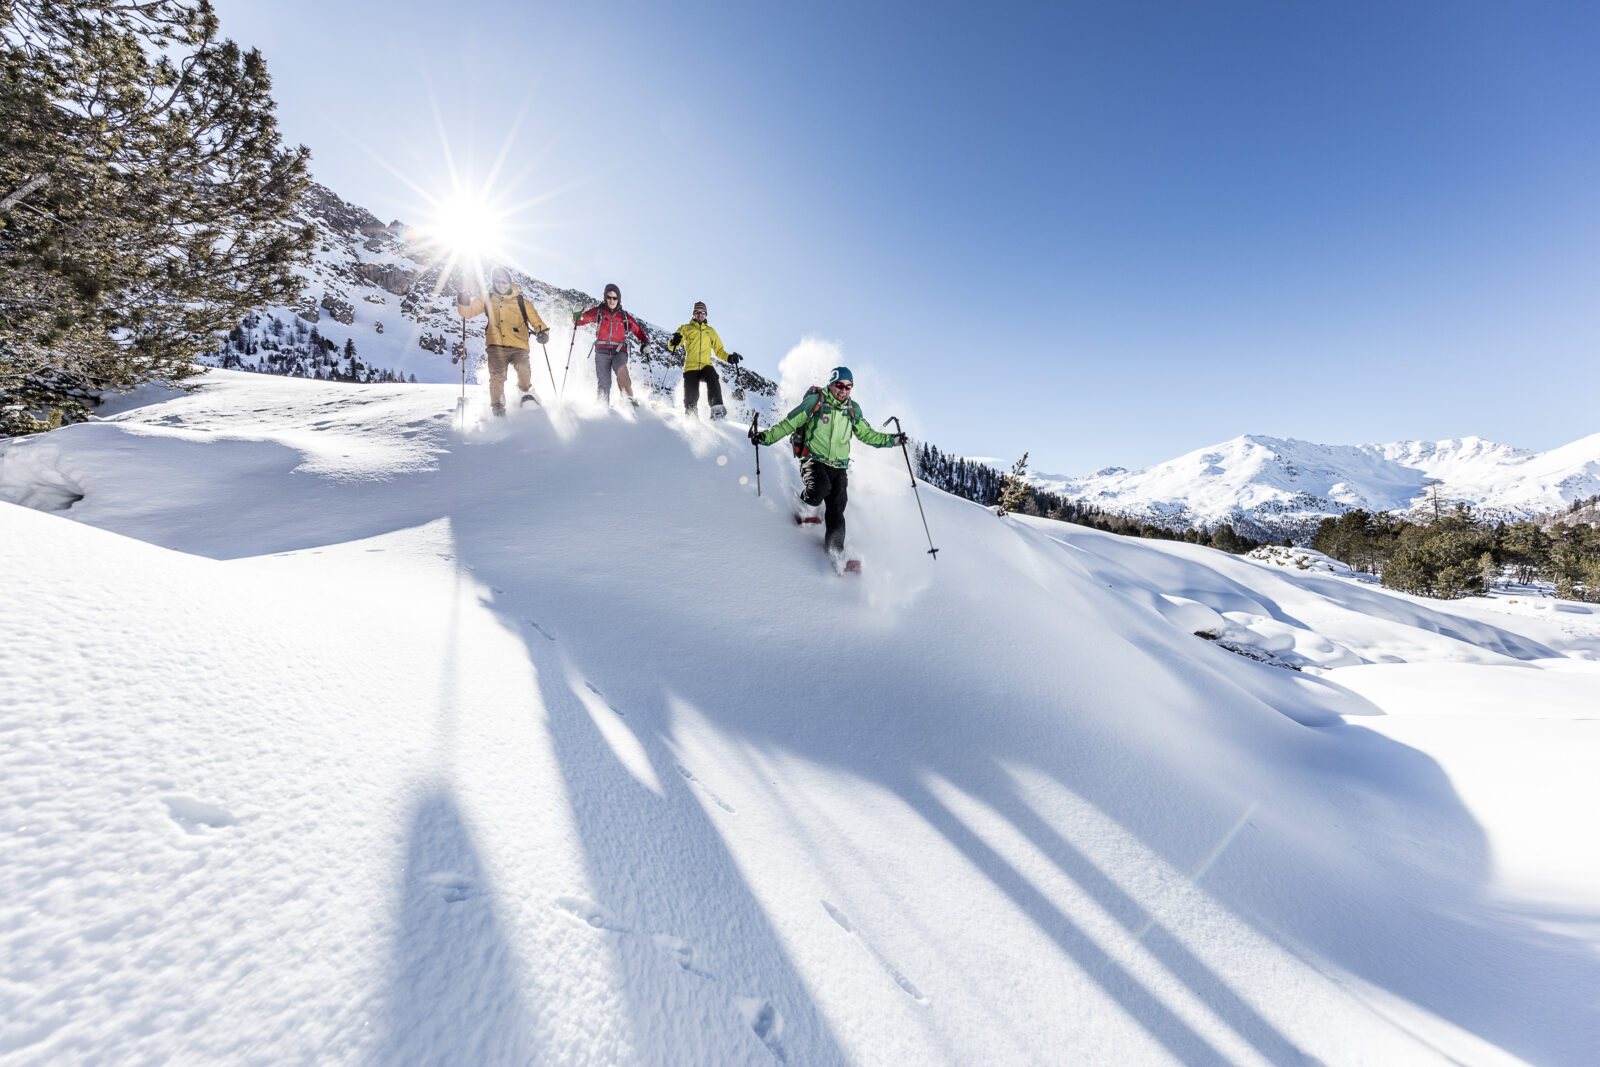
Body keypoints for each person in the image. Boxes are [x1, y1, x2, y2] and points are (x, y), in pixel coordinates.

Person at [749, 366, 907, 558]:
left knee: (837, 508)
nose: (843, 390)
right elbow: (790, 423)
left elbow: (867, 435)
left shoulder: (852, 409)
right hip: (813, 459)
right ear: (831, 384)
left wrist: (893, 440)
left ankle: (835, 552)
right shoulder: (815, 401)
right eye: (840, 385)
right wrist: (765, 437)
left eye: (849, 387)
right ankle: (804, 508)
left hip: (839, 466)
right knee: (819, 488)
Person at [455, 266, 550, 416]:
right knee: (497, 376)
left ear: (510, 283)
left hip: (519, 346)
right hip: (496, 346)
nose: (501, 285)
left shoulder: (522, 302)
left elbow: (536, 321)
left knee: (523, 367)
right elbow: (468, 313)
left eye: (504, 282)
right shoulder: (487, 298)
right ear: (493, 283)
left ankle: (525, 392)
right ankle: (497, 406)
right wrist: (463, 303)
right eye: (498, 282)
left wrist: (542, 332)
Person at [573, 283, 648, 408]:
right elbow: (581, 320)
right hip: (602, 352)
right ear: (605, 298)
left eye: (614, 298)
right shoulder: (599, 311)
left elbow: (637, 329)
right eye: (609, 297)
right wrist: (576, 315)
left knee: (621, 370)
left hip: (619, 350)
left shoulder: (624, 316)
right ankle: (602, 409)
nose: (612, 300)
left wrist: (644, 341)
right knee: (604, 382)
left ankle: (629, 401)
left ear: (618, 299)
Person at [669, 301, 742, 419]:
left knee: (713, 376)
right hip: (690, 367)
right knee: (691, 397)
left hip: (705, 365)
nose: (700, 315)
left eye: (703, 313)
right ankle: (691, 419)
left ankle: (717, 409)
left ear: (706, 314)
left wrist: (729, 358)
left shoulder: (711, 331)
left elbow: (719, 351)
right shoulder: (685, 328)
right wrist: (674, 341)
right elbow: (672, 346)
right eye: (697, 312)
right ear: (693, 314)